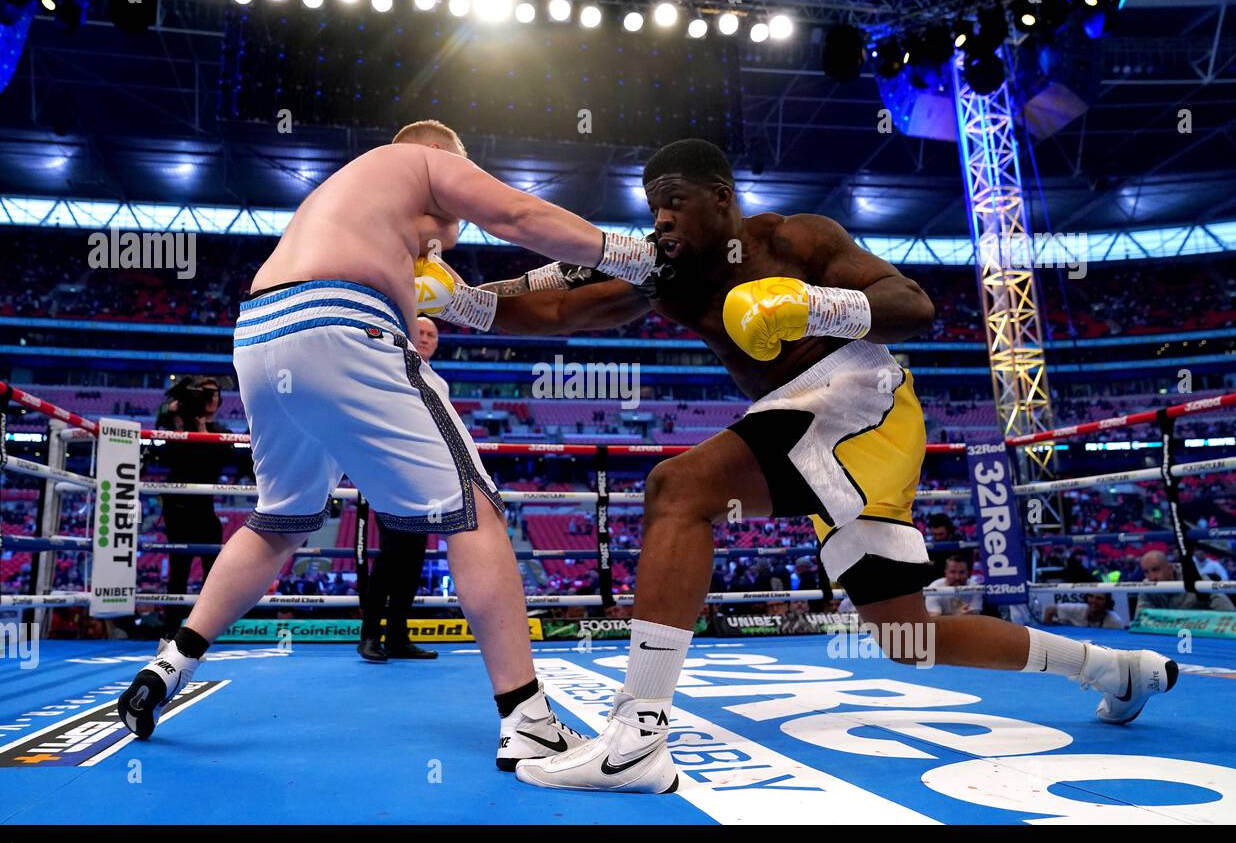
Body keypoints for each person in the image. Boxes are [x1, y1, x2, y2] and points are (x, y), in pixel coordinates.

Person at [483, 138, 1178, 793]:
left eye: (674, 199)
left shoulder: (796, 239)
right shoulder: (669, 276)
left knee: (679, 487)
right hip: (827, 440)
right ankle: (1115, 669)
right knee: (910, 637)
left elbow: (913, 304)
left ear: (723, 197)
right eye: (651, 203)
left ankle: (637, 737)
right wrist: (451, 302)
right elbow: (549, 306)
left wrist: (810, 304)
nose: (660, 216)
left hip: (861, 399)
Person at [116, 119, 674, 773]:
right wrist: (634, 255)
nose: (457, 231)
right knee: (475, 504)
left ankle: (168, 664)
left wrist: (430, 314)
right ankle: (526, 720)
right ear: (440, 156)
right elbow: (518, 214)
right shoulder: (422, 161)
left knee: (281, 518)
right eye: (457, 212)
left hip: (261, 337)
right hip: (341, 323)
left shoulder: (343, 204)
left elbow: (482, 300)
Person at [358, 315, 442, 662]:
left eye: (431, 334)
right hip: (389, 477)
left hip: (424, 482)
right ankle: (369, 637)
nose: (424, 337)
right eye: (419, 332)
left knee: (412, 562)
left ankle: (396, 636)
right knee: (391, 560)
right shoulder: (391, 368)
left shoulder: (436, 380)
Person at [152, 376, 229, 640]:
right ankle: (171, 629)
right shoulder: (177, 424)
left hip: (205, 509)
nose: (212, 398)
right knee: (179, 570)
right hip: (179, 507)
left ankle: (208, 629)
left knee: (213, 572)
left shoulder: (221, 430)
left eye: (216, 393)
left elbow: (218, 463)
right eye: (206, 393)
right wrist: (172, 413)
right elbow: (166, 453)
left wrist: (203, 431)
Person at [1138, 549, 1234, 611]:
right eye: (1146, 572)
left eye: (1156, 569)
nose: (1152, 577)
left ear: (1169, 568)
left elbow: (1229, 612)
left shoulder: (1197, 579)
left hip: (1200, 634)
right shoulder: (1147, 586)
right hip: (1168, 637)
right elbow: (1141, 619)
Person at [1043, 592, 1124, 629]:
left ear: (1107, 603)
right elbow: (1049, 610)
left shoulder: (1115, 621)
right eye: (1091, 596)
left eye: (1099, 598)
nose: (1093, 601)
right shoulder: (1078, 609)